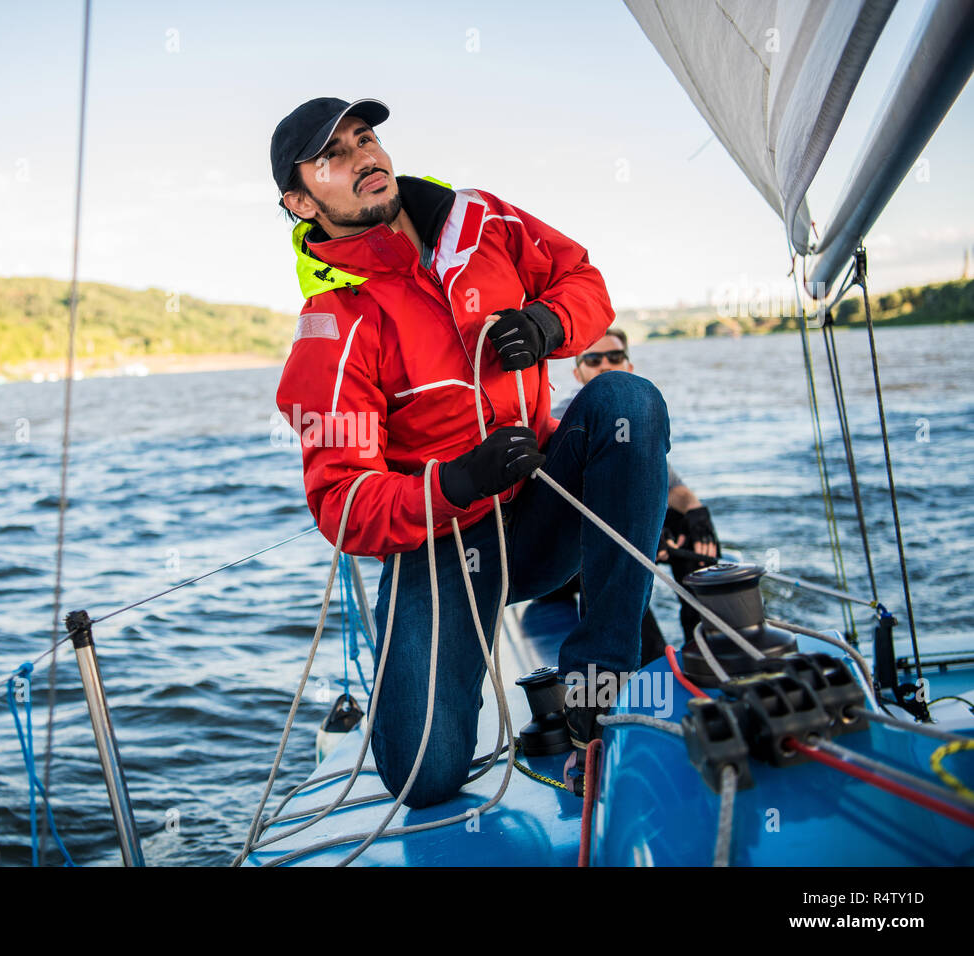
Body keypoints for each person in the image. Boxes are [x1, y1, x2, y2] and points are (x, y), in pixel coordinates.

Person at [271, 97, 671, 809]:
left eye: (366, 137)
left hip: (548, 515)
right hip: (444, 546)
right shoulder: (332, 326)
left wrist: (547, 323)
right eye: (333, 155)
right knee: (425, 779)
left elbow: (585, 281)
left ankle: (598, 689)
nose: (364, 156)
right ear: (301, 202)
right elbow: (343, 504)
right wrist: (455, 482)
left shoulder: (481, 220)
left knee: (627, 402)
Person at [545, 328, 719, 647]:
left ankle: (706, 645)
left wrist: (697, 514)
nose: (605, 365)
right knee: (611, 550)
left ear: (629, 366)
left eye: (615, 357)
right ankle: (647, 660)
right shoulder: (560, 421)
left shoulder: (636, 422)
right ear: (578, 373)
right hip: (564, 560)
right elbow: (570, 507)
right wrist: (644, 532)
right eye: (593, 359)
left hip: (622, 535)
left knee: (691, 527)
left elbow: (673, 489)